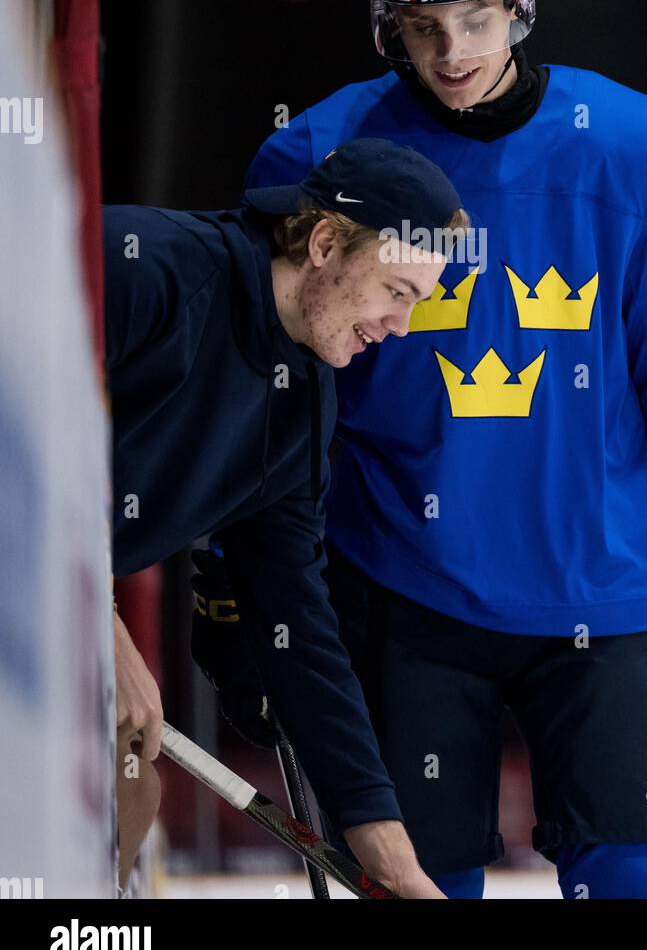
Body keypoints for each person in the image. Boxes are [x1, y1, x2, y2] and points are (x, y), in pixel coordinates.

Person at [233, 0, 647, 899]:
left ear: (519, 0)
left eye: (476, 15)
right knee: (412, 887)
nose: (451, 53)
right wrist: (242, 566)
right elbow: (268, 381)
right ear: (385, 17)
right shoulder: (312, 152)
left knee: (642, 887)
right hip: (394, 586)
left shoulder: (641, 147)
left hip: (605, 586)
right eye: (421, 22)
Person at [107, 137, 467, 898]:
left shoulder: (303, 408)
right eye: (396, 291)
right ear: (326, 243)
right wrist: (93, 622)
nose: (400, 327)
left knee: (125, 783)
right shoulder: (143, 267)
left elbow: (296, 620)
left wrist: (391, 858)